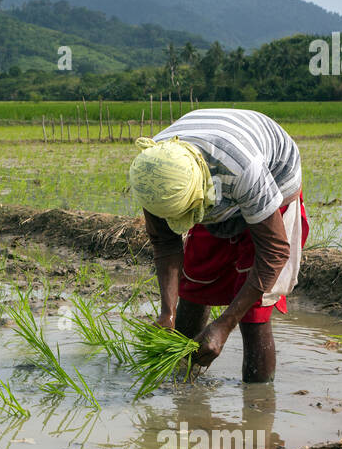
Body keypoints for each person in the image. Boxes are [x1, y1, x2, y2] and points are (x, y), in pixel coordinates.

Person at [129, 108, 308, 383]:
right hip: (215, 184)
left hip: (273, 182)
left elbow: (275, 251)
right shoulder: (154, 175)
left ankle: (257, 406)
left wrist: (224, 325)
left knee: (252, 312)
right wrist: (168, 312)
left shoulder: (244, 170)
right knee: (194, 285)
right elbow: (165, 244)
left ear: (197, 193)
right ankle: (184, 388)